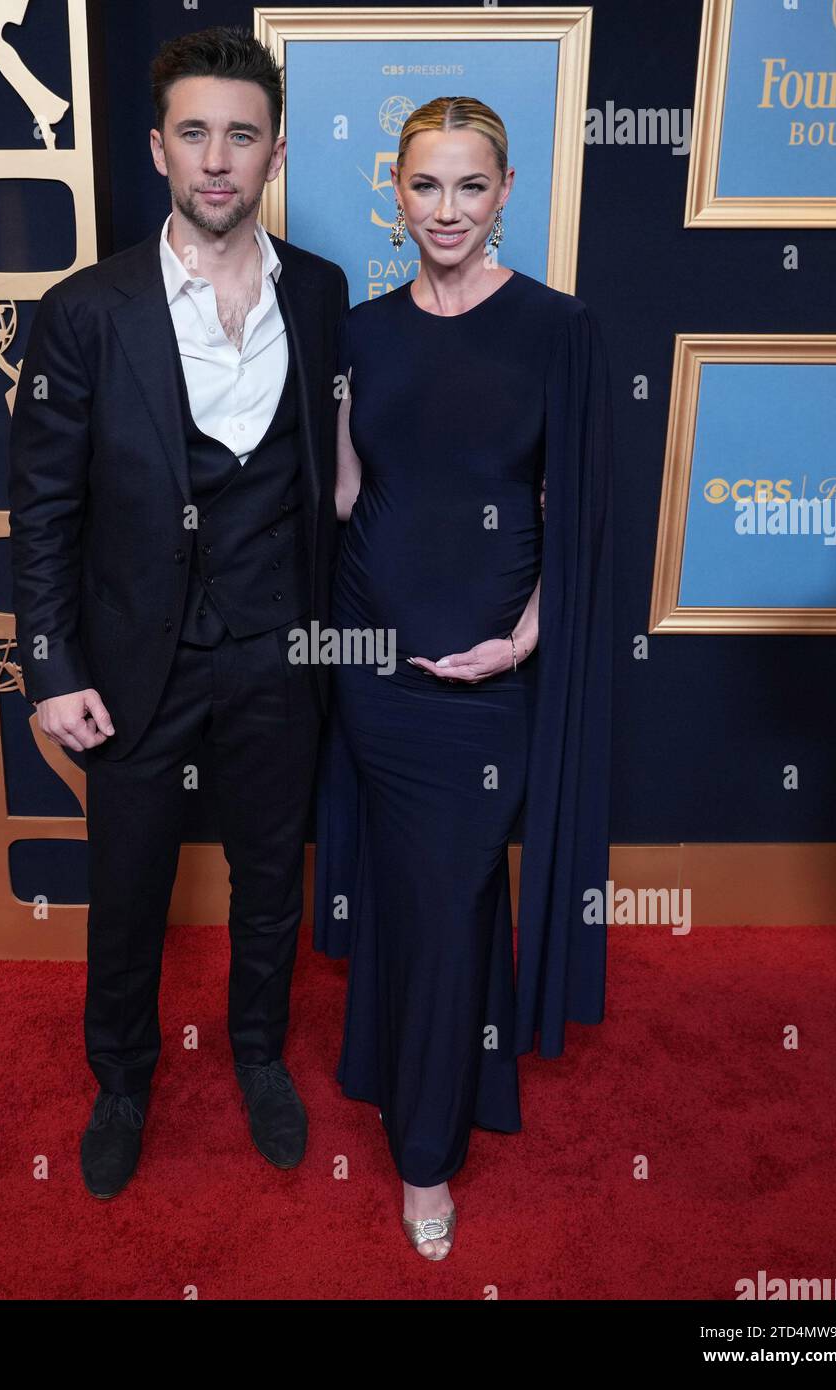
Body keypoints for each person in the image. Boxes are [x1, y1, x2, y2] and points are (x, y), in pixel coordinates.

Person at [9, 27, 348, 1198]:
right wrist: (50, 666)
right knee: (129, 887)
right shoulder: (85, 310)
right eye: (194, 133)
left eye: (240, 135)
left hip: (274, 655)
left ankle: (258, 1053)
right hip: (132, 660)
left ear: (274, 152)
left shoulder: (320, 289)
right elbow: (41, 509)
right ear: (157, 148)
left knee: (270, 878)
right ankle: (123, 1077)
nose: (217, 158)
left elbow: (333, 478)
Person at [313, 96, 614, 1259]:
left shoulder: (556, 331)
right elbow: (348, 494)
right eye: (425, 186)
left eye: (470, 187)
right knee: (422, 896)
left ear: (506, 192)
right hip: (373, 672)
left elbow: (575, 515)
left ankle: (424, 1158)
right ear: (396, 189)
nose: (447, 210)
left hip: (488, 682)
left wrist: (523, 641)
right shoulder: (365, 332)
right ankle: (446, 1084)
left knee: (442, 898)